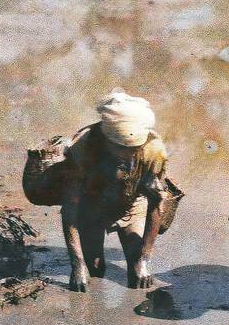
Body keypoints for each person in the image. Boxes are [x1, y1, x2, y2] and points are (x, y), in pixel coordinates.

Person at [60, 90, 176, 293]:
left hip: (133, 203)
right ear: (107, 139)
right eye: (120, 147)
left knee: (137, 272)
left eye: (133, 148)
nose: (127, 154)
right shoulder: (83, 147)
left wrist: (145, 259)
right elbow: (70, 210)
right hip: (92, 205)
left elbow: (156, 206)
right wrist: (77, 264)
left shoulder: (153, 150)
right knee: (94, 268)